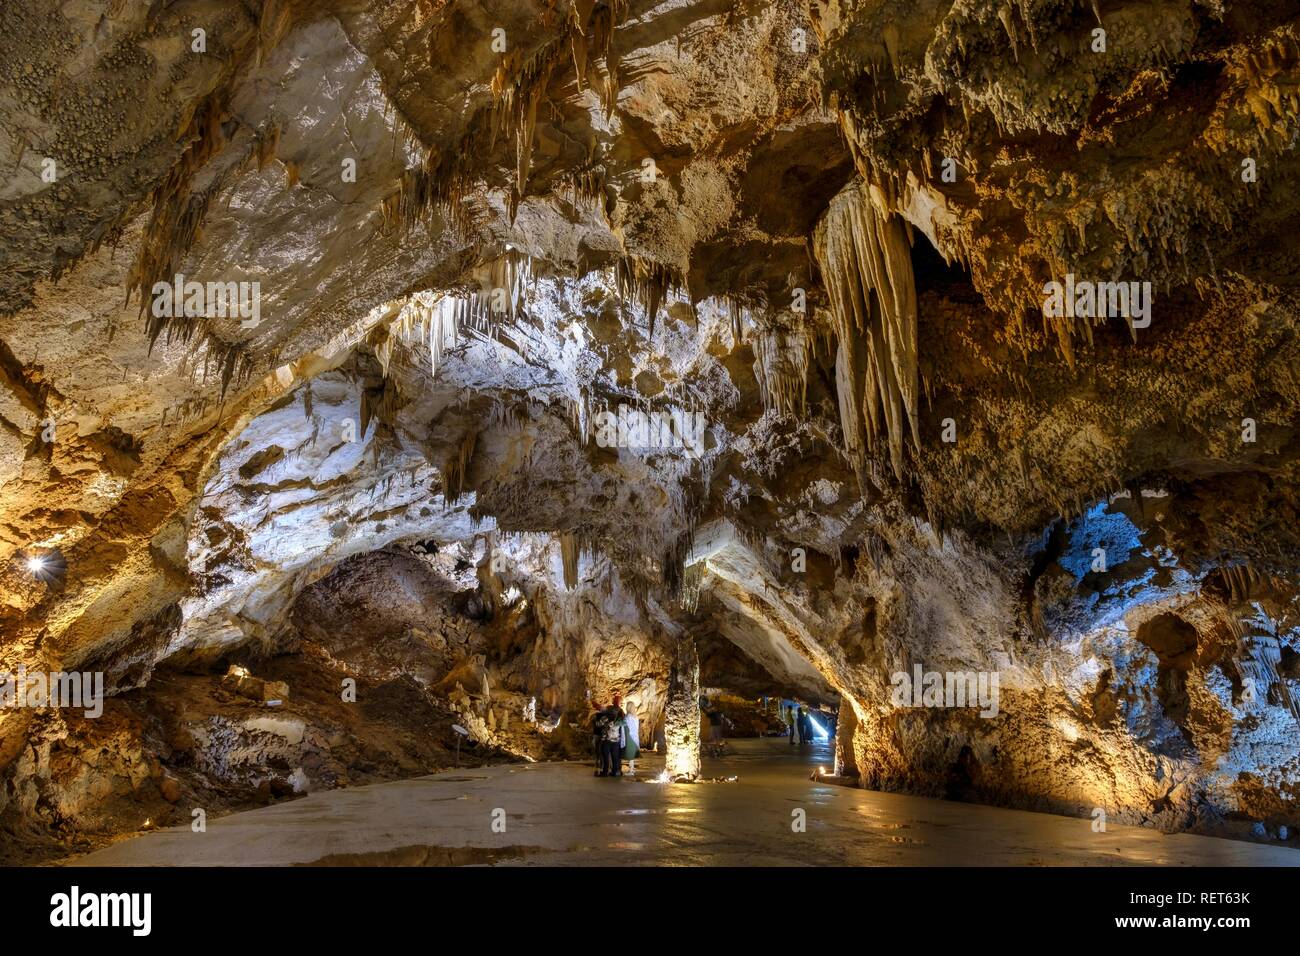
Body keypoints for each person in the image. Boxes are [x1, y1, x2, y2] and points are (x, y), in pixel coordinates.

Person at [623, 703, 641, 774]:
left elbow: (626, 726)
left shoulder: (628, 717)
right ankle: (632, 769)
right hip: (634, 736)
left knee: (630, 754)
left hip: (629, 736)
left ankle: (631, 770)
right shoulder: (635, 717)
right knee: (631, 755)